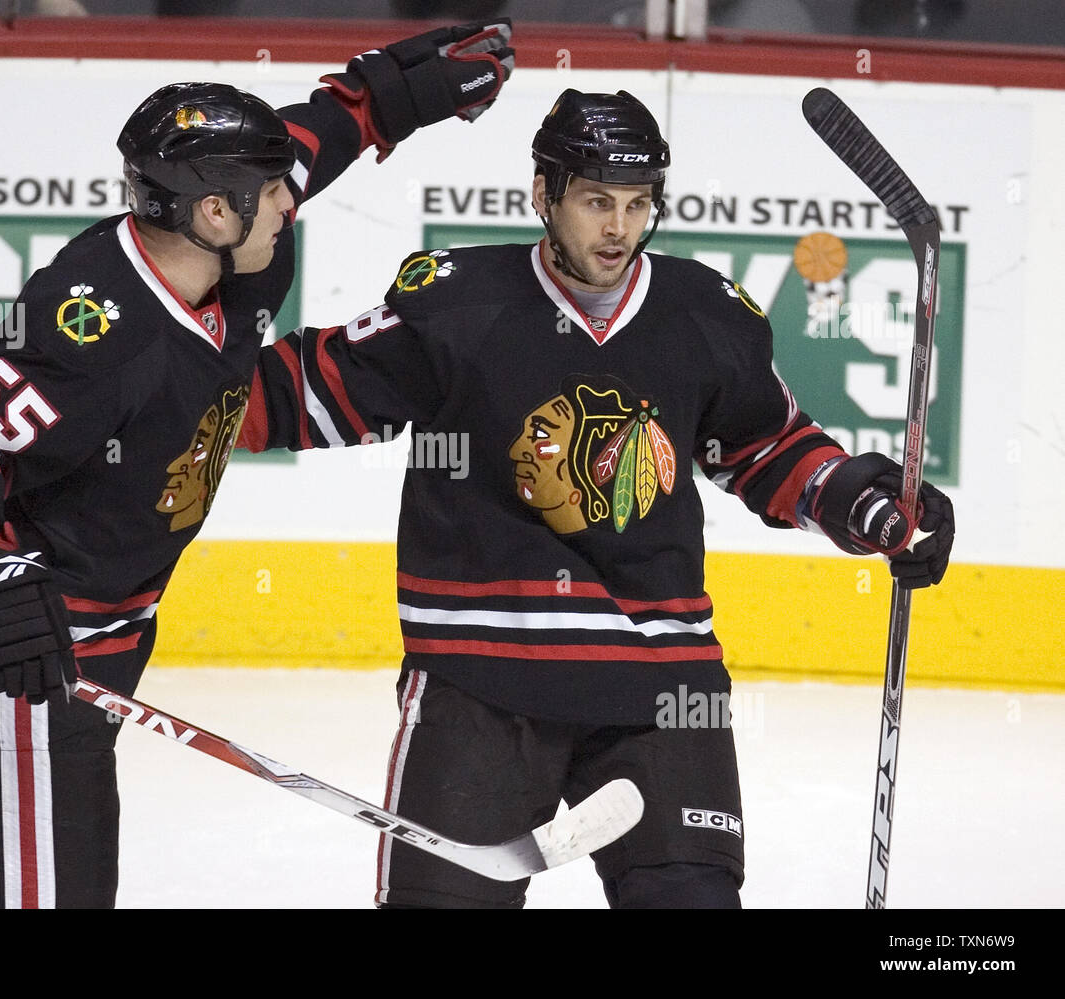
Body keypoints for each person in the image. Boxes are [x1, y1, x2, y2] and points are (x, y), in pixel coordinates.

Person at [238, 88, 956, 908]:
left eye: (637, 204)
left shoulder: (700, 313)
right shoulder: (458, 303)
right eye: (594, 201)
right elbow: (294, 396)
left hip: (659, 684)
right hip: (482, 682)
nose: (618, 228)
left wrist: (862, 503)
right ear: (543, 194)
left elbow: (769, 445)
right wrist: (162, 406)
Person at [0, 21, 514, 909]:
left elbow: (304, 146)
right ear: (214, 211)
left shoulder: (229, 237)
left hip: (97, 647)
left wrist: (385, 104)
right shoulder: (94, 326)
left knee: (8, 887)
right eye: (269, 194)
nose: (290, 203)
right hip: (9, 659)